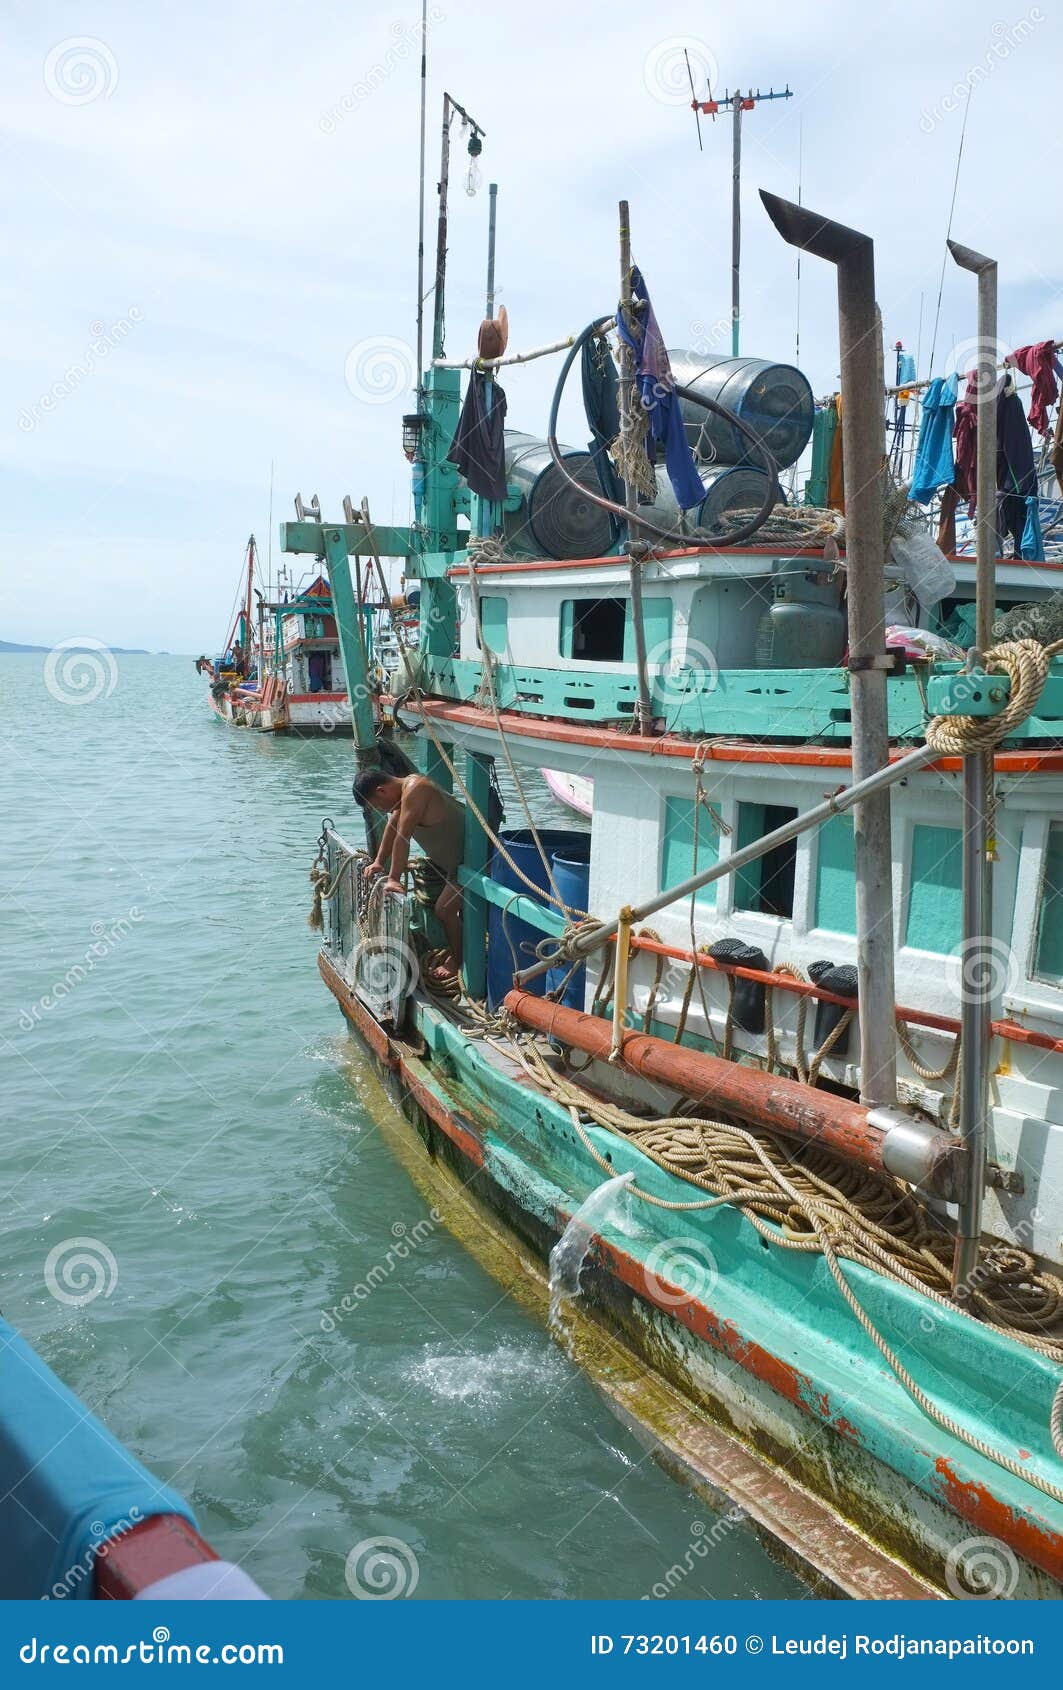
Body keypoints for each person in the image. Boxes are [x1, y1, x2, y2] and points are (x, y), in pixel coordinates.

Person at [354, 769, 465, 979]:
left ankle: (458, 961)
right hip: (456, 866)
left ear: (382, 790)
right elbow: (392, 828)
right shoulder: (403, 795)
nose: (381, 809)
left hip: (474, 860)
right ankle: (459, 952)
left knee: (444, 910)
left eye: (377, 804)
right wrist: (379, 862)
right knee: (447, 910)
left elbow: (403, 837)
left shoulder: (416, 788)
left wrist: (394, 878)